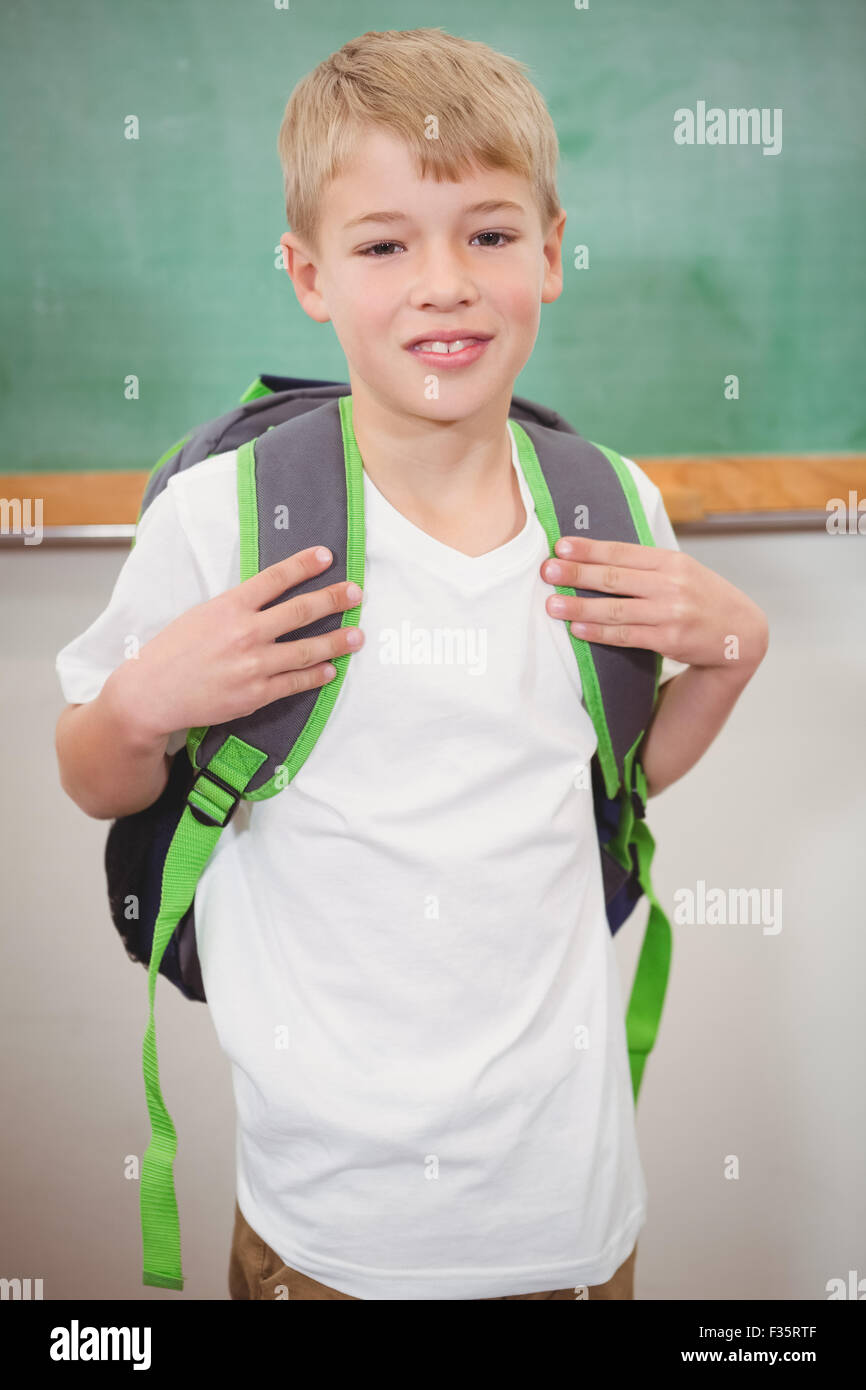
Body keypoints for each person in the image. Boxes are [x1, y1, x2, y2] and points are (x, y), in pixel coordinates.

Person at [54, 27, 768, 1301]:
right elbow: (95, 774)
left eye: (489, 234)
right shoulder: (220, 520)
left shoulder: (611, 506)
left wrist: (728, 657)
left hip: (572, 1217)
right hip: (324, 1234)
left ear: (551, 251)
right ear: (308, 274)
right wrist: (143, 702)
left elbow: (616, 772)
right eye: (384, 244)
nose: (442, 282)